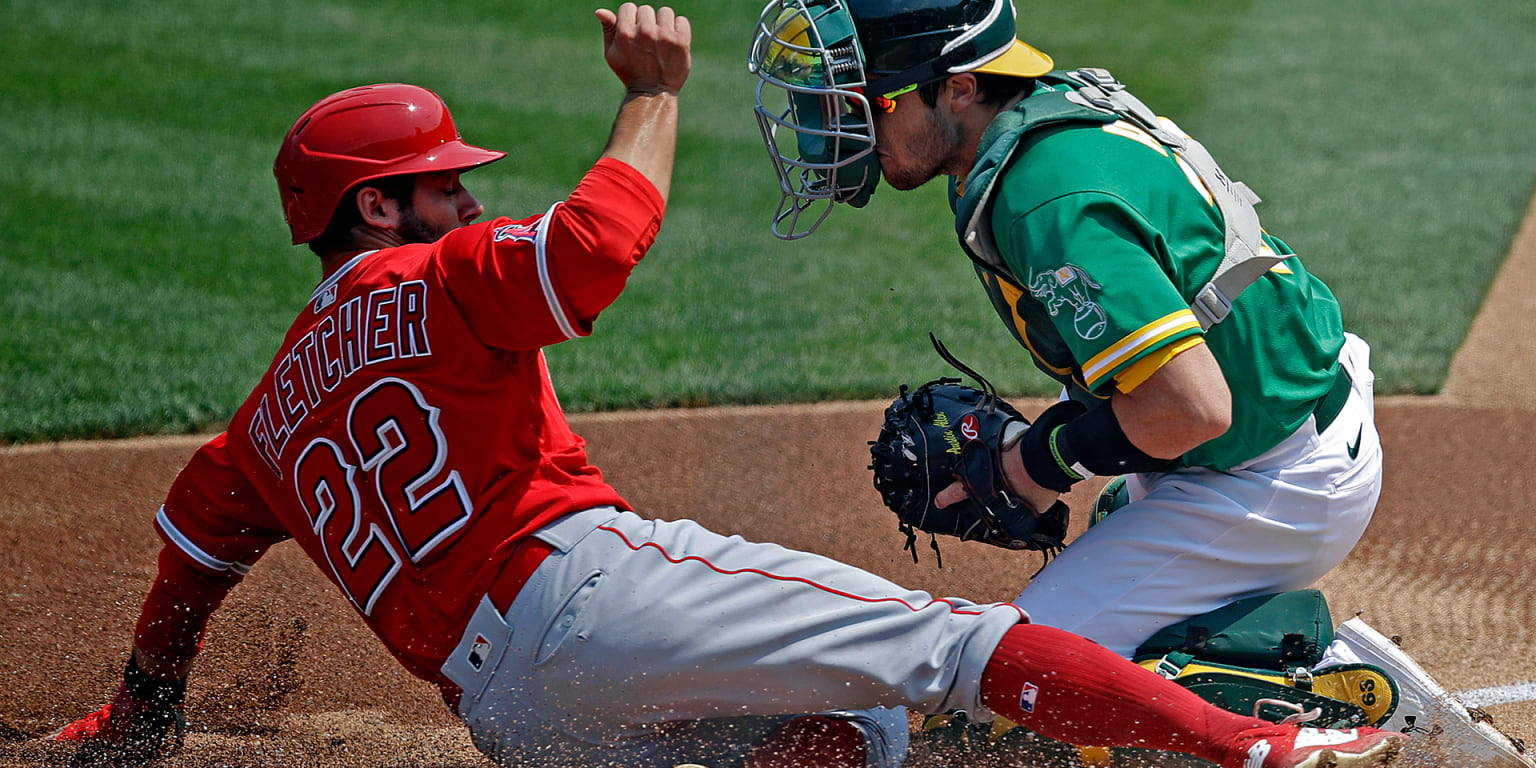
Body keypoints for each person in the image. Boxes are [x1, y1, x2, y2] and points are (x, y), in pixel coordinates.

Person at [49, 5, 1410, 768]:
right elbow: (589, 249)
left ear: (943, 84)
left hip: (506, 715)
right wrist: (650, 94)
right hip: (586, 592)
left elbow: (189, 552)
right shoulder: (446, 276)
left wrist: (144, 711)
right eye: (446, 183)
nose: (468, 199)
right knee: (937, 690)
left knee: (936, 723)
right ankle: (1245, 716)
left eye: (860, 96)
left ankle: (1247, 680)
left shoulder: (267, 415)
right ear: (376, 208)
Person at [748, 0, 1532, 765]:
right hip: (1277, 411)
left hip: (1272, 479)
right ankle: (1218, 624)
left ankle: (1306, 689)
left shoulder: (1046, 194)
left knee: (1006, 689)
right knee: (1103, 535)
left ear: (958, 87)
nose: (839, 128)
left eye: (872, 104)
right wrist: (1036, 447)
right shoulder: (1037, 122)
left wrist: (1032, 464)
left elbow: (1190, 407)